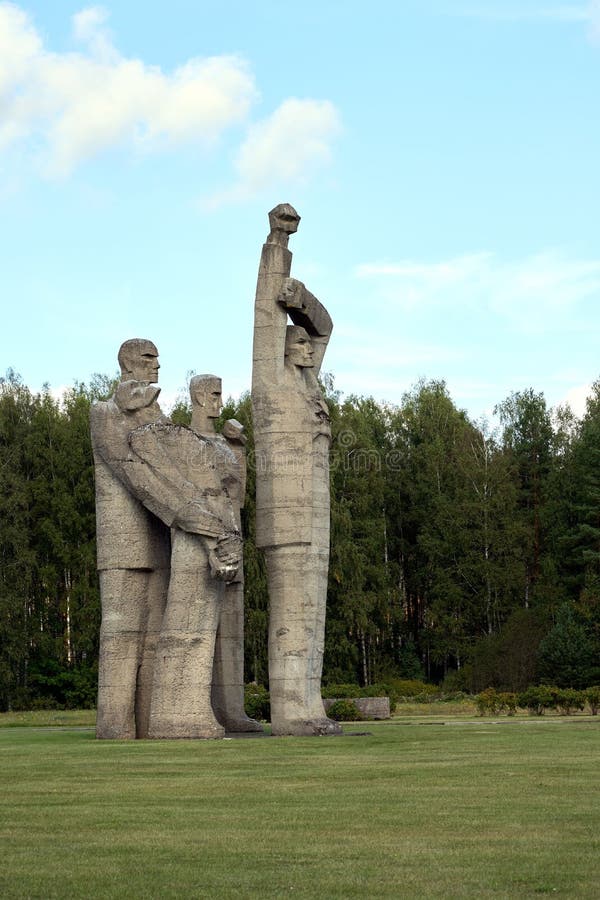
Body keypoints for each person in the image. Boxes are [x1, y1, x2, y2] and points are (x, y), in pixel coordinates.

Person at [251, 204, 341, 736]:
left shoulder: (312, 386)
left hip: (315, 516)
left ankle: (312, 705)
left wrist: (301, 300)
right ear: (283, 351)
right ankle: (289, 710)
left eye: (307, 343)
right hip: (285, 520)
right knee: (290, 617)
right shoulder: (272, 381)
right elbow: (266, 320)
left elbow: (326, 326)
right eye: (298, 341)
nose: (307, 346)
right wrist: (277, 246)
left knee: (313, 617)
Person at [90, 339, 170, 739]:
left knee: (155, 641)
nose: (157, 365)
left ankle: (151, 724)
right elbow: (134, 471)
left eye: (157, 358)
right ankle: (115, 725)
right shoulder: (104, 412)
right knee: (121, 636)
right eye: (148, 358)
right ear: (127, 363)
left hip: (161, 541)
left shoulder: (160, 415)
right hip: (123, 543)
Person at [189, 374, 262, 733]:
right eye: (215, 394)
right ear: (199, 397)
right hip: (199, 545)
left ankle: (233, 709)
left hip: (233, 536)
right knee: (198, 630)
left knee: (232, 631)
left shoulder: (224, 444)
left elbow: (240, 498)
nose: (220, 401)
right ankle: (194, 707)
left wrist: (239, 450)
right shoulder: (184, 439)